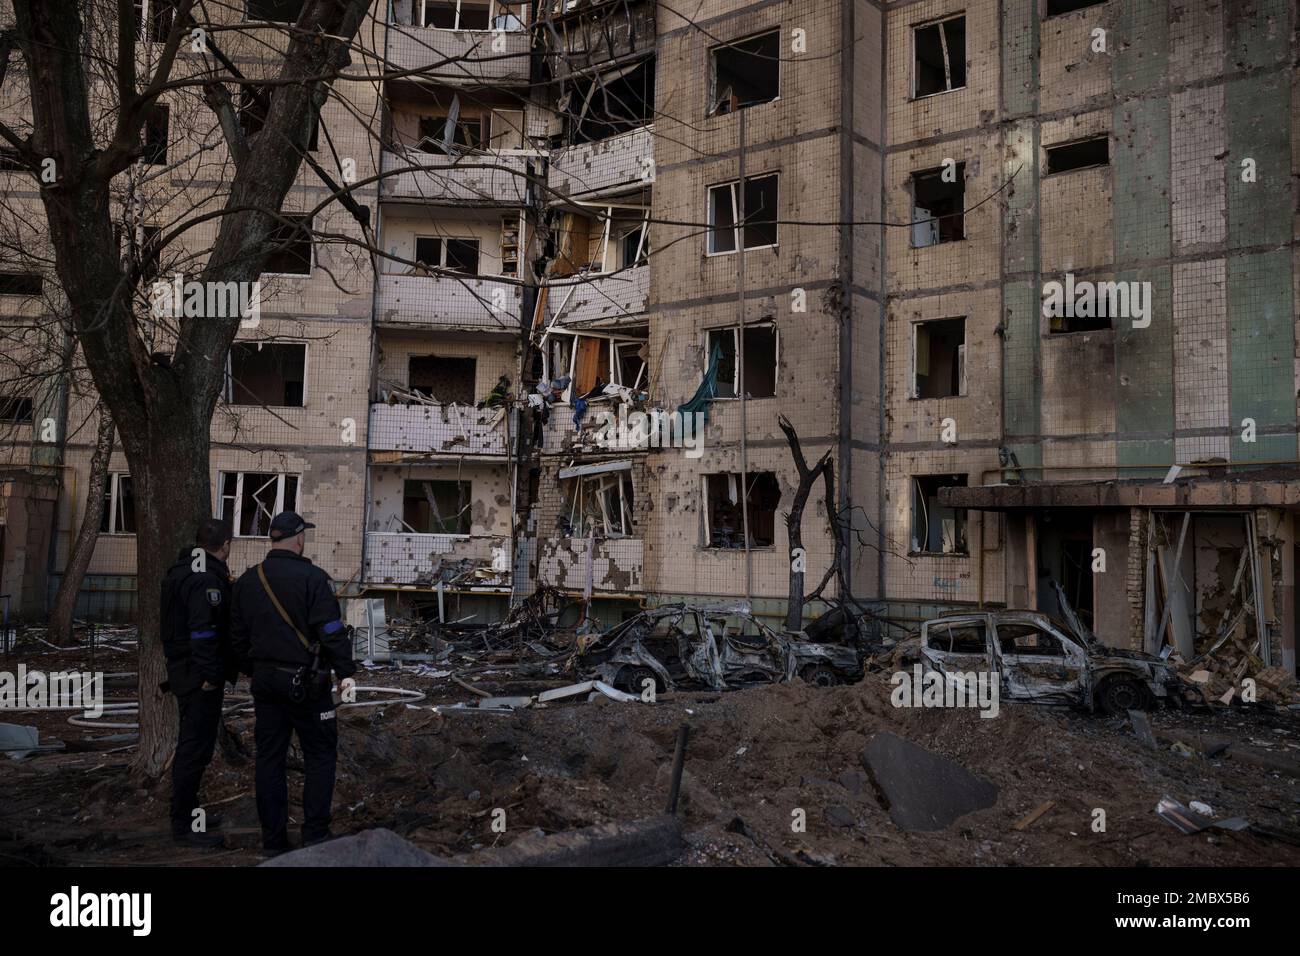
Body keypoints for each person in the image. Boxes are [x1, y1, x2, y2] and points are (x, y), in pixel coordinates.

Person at [231, 512, 355, 854]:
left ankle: (273, 841)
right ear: (299, 538)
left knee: (269, 759)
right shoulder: (314, 579)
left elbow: (236, 637)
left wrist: (255, 670)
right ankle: (315, 834)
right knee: (319, 755)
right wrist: (346, 671)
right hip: (308, 684)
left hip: (266, 683)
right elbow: (331, 632)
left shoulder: (247, 581)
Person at [161, 518, 237, 849]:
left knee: (196, 748)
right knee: (194, 749)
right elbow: (203, 631)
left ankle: (190, 814)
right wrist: (208, 677)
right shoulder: (205, 579)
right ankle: (184, 827)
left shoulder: (182, 571)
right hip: (197, 675)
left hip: (186, 670)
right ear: (225, 545)